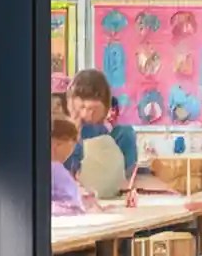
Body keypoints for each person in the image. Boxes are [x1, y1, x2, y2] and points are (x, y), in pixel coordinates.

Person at [65, 69, 138, 197]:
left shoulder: (108, 129)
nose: (88, 114)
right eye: (83, 107)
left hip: (110, 173)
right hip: (78, 176)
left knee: (127, 133)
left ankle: (126, 183)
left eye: (93, 109)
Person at [51, 117, 85, 215]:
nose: (70, 152)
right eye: (71, 147)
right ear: (57, 144)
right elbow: (76, 207)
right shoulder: (56, 169)